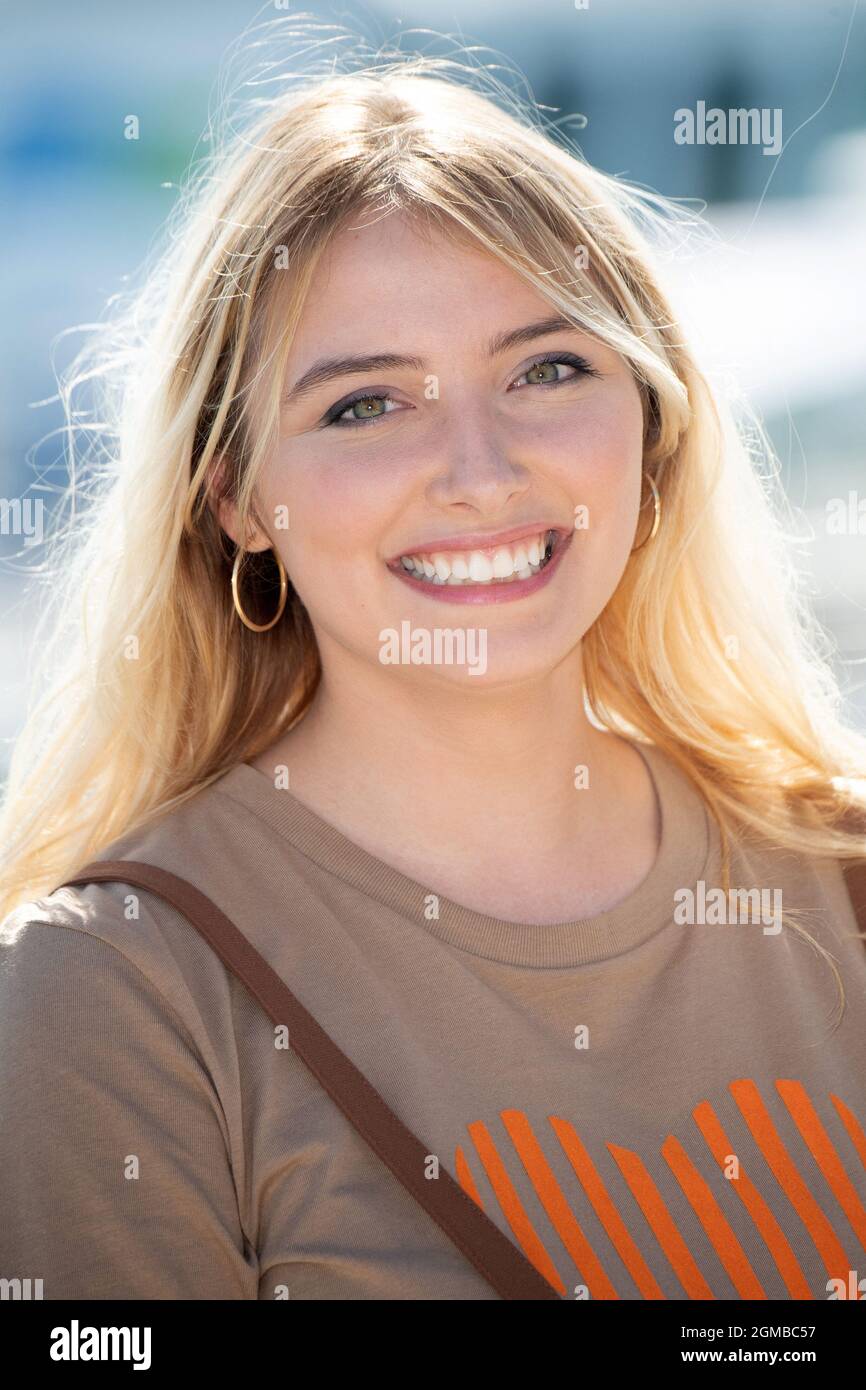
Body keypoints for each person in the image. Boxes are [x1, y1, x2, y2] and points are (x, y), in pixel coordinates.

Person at [1, 39, 866, 1302]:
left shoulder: (841, 887)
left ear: (653, 425)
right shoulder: (110, 992)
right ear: (236, 497)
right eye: (365, 405)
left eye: (547, 369)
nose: (478, 469)